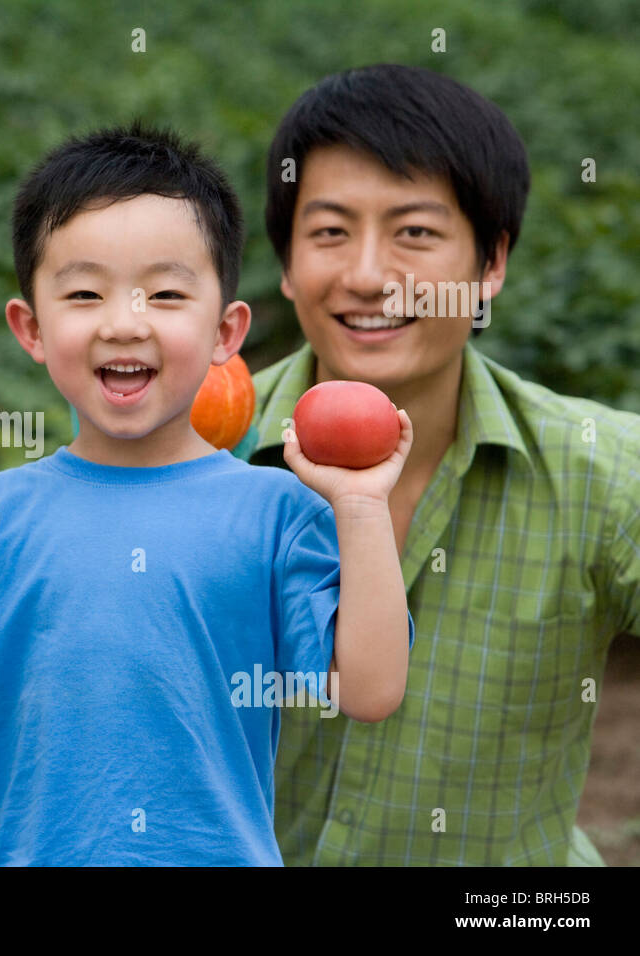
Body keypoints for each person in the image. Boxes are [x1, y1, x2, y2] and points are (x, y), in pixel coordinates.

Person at [0, 123, 414, 865]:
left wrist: (363, 506)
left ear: (226, 332)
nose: (125, 323)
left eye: (165, 293)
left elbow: (369, 691)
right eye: (84, 292)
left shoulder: (276, 512)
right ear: (30, 327)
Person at [248, 64, 640, 865]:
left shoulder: (602, 473)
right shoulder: (190, 457)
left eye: (415, 233)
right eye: (328, 232)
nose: (366, 275)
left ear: (490, 266)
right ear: (287, 264)